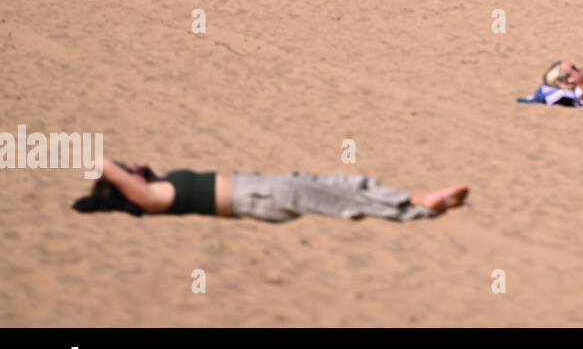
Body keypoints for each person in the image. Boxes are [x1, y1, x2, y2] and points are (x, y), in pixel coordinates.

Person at [74, 158, 469, 223]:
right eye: (128, 170)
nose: (135, 165)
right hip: (259, 199)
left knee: (344, 185)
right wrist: (96, 160)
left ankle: (412, 198)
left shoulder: (157, 186)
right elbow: (110, 172)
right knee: (342, 203)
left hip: (263, 186)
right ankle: (421, 209)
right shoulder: (151, 199)